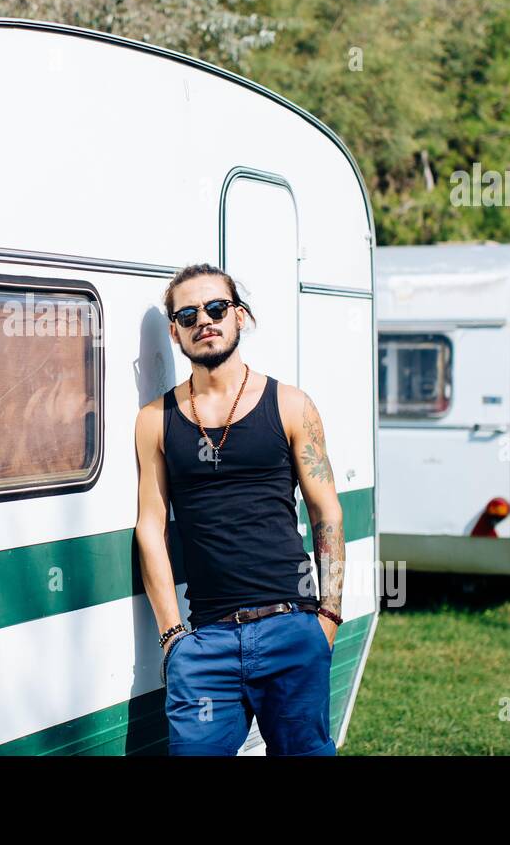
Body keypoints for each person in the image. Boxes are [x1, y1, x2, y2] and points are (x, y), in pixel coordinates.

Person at [133, 262, 345, 755]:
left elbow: (326, 513)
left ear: (239, 317)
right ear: (174, 332)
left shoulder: (291, 405)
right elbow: (149, 529)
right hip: (207, 644)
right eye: (188, 315)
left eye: (215, 308)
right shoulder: (153, 421)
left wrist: (328, 616)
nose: (203, 320)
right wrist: (172, 639)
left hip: (292, 627)